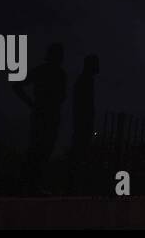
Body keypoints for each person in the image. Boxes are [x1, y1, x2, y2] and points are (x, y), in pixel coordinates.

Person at [14, 42, 67, 194]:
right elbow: (16, 84)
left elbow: (16, 85)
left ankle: (30, 184)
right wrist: (31, 103)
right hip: (45, 114)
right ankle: (29, 184)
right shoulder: (52, 73)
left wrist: (31, 103)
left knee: (42, 149)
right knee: (39, 149)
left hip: (48, 114)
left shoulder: (53, 73)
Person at [68, 54, 99, 189]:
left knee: (81, 154)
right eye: (96, 63)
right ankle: (76, 184)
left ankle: (76, 183)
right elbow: (82, 105)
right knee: (81, 154)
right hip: (83, 124)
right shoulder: (85, 81)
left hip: (83, 124)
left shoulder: (85, 80)